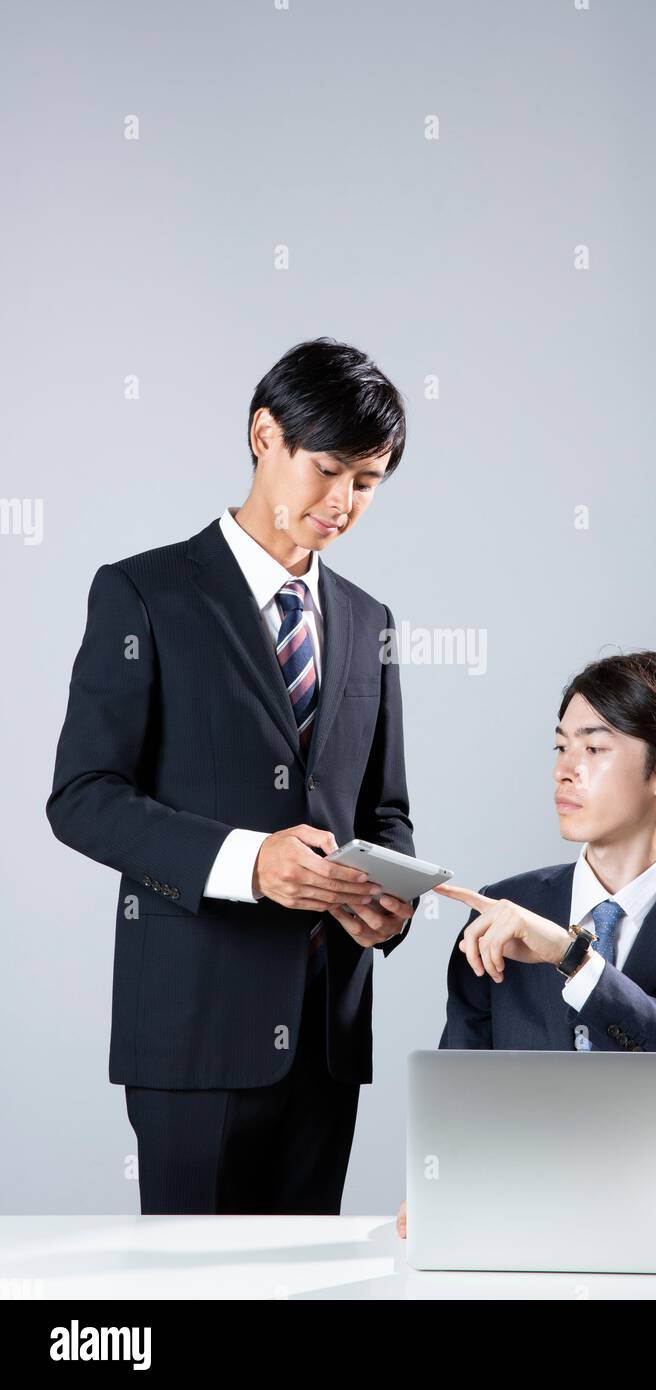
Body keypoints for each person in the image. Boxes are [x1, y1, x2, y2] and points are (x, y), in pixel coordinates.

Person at [46, 337, 419, 1215]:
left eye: (367, 483)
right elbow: (83, 797)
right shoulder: (144, 594)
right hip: (192, 1031)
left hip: (328, 1033)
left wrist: (389, 901)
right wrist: (248, 863)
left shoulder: (369, 621)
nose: (343, 503)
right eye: (328, 470)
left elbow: (385, 808)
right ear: (265, 435)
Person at [396, 650, 656, 1239]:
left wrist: (574, 959)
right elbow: (456, 1095)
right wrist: (434, 1186)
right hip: (507, 1233)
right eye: (560, 747)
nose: (565, 770)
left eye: (594, 748)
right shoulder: (499, 910)